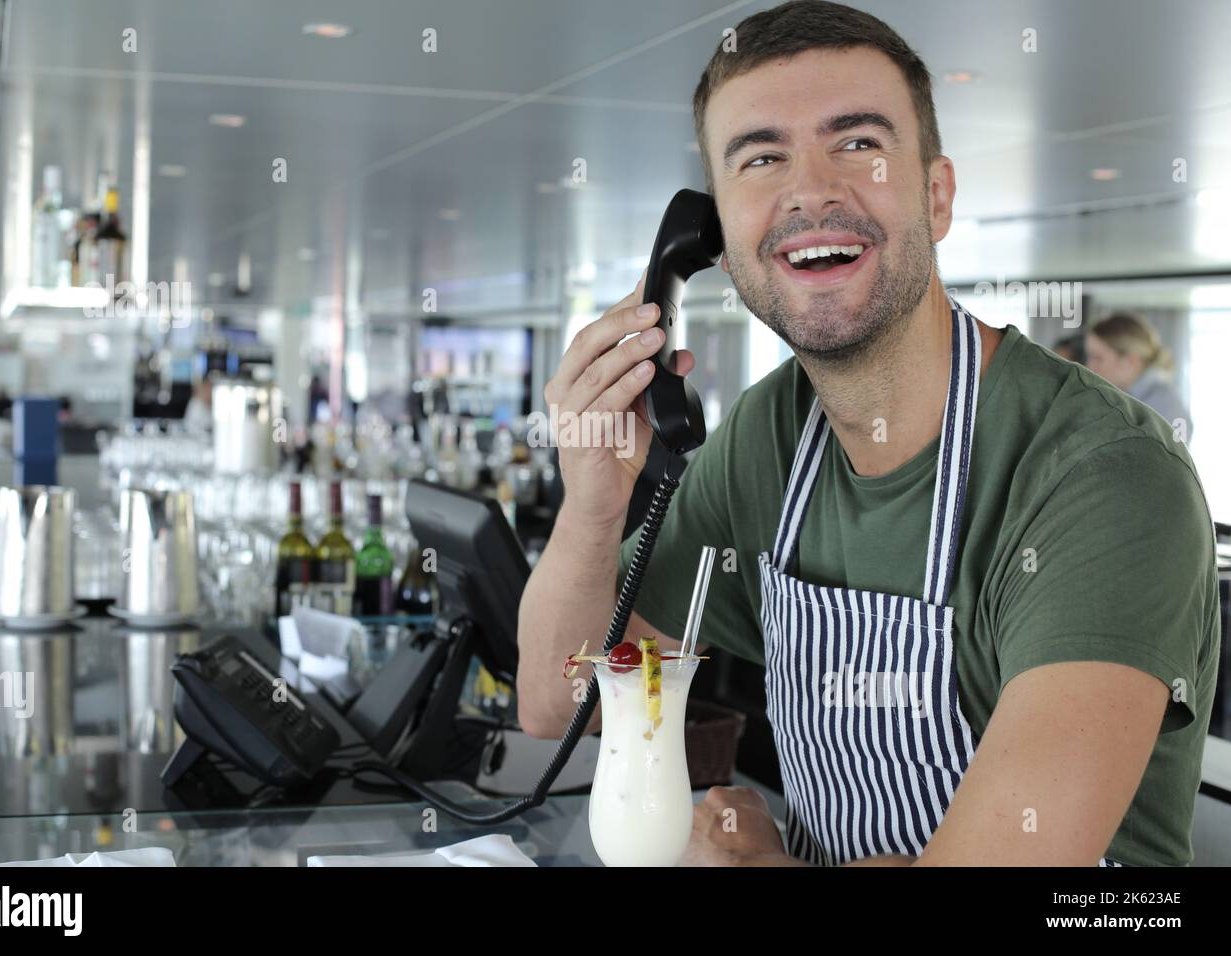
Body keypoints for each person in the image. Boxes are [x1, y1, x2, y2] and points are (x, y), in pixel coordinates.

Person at [516, 0, 1219, 867]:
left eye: (857, 143)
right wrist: (591, 504)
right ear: (715, 242)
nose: (809, 190)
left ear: (936, 194)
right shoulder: (766, 440)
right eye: (761, 157)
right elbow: (562, 710)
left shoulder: (1105, 478)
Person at [1087, 312, 1192, 440]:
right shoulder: (1120, 399)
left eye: (1097, 358)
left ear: (1129, 361)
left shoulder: (1165, 406)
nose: (1090, 366)